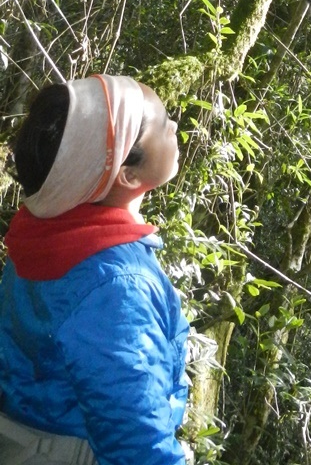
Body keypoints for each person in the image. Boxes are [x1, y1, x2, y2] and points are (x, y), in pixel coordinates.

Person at [0, 74, 189, 465]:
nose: (173, 125)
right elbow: (138, 443)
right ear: (127, 175)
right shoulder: (116, 289)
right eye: (160, 123)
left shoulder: (41, 234)